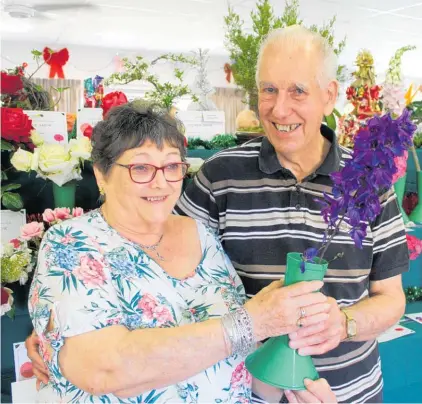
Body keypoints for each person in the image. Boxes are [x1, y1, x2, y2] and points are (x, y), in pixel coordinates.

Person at [26, 104, 336, 403]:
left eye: (172, 165)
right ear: (102, 174)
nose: (161, 181)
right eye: (142, 167)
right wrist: (250, 322)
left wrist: (289, 385)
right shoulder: (71, 244)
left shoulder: (200, 234)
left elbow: (243, 358)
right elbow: (104, 369)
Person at [174, 26, 408, 403]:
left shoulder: (369, 183)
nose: (279, 109)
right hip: (242, 393)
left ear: (329, 96)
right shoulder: (218, 177)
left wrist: (345, 324)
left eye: (298, 90)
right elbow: (168, 278)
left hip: (349, 394)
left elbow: (391, 298)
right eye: (268, 90)